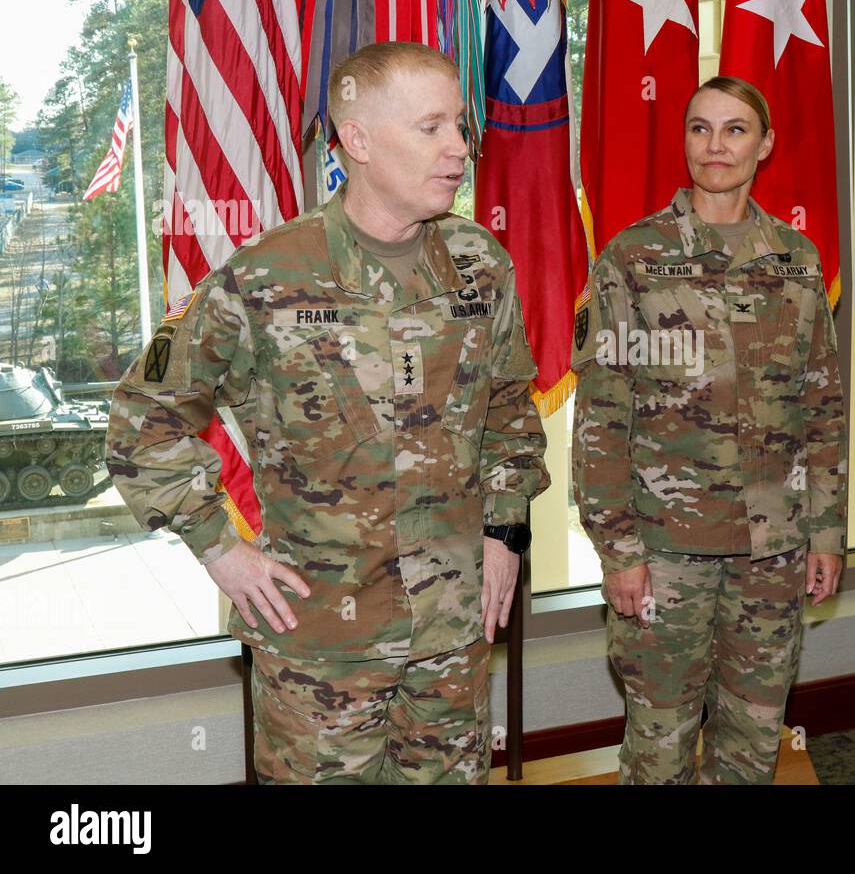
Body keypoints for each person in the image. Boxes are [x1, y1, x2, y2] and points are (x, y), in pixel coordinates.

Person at [107, 42, 550, 784]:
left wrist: (505, 530)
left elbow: (508, 406)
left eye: (461, 127)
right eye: (432, 127)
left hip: (452, 629)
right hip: (320, 642)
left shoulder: (480, 261)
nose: (459, 149)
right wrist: (218, 545)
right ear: (360, 141)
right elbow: (141, 414)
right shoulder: (267, 274)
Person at [571, 76, 848, 784]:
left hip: (773, 549)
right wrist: (618, 550)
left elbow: (822, 403)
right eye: (700, 128)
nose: (715, 145)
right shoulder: (633, 259)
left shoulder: (796, 259)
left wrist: (825, 531)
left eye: (734, 129)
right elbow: (602, 415)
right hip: (666, 551)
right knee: (661, 745)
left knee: (755, 742)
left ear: (766, 145)